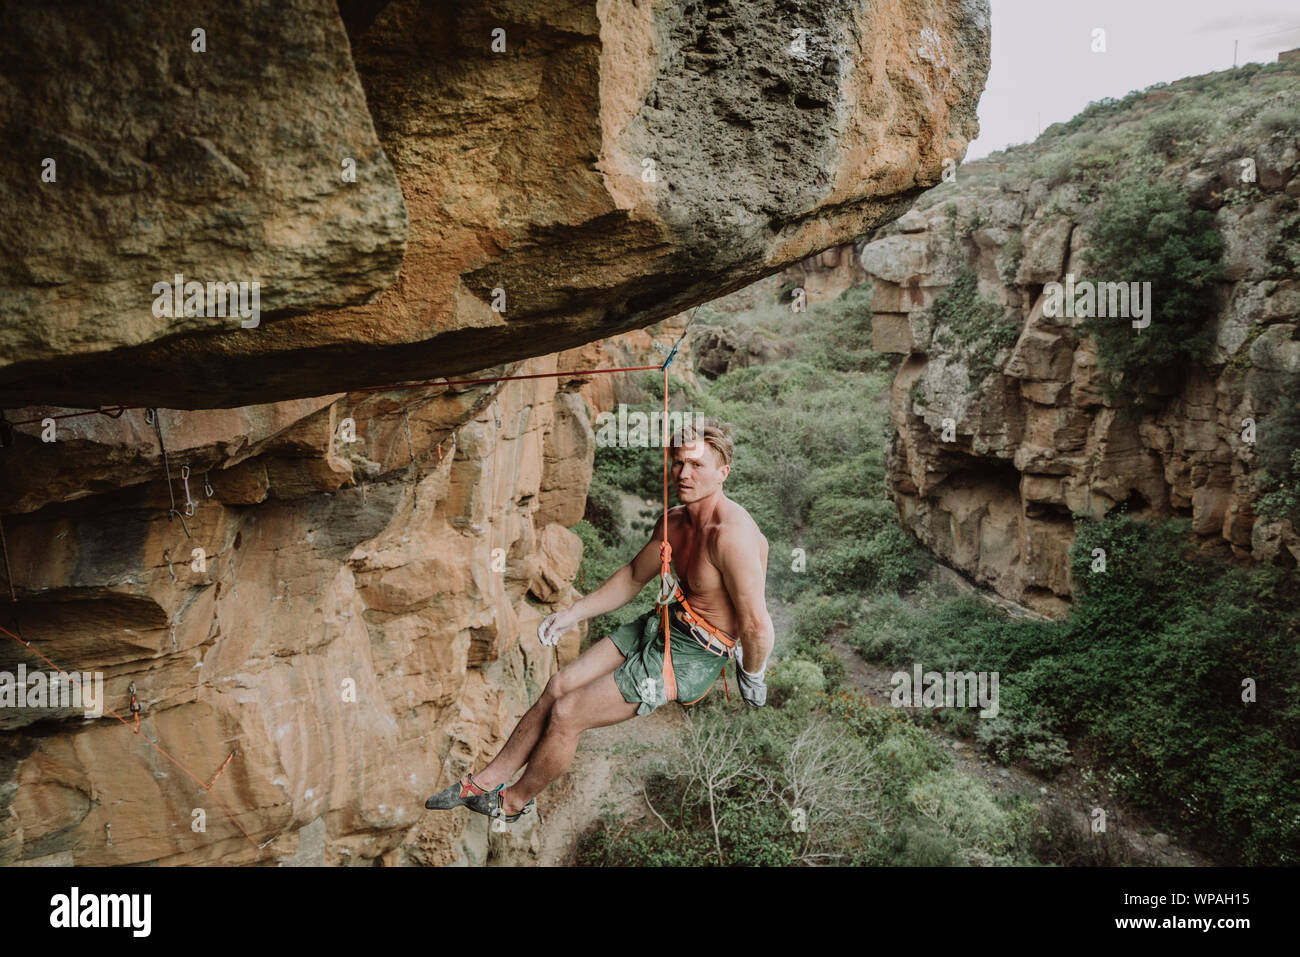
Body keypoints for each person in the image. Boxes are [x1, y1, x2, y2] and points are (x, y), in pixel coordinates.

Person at [424, 416, 773, 825]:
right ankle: (484, 782)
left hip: (693, 655)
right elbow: (631, 576)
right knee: (558, 687)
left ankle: (513, 803)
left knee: (569, 713)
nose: (683, 472)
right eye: (678, 462)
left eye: (697, 465)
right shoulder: (674, 522)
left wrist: (753, 674)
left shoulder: (731, 535)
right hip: (665, 623)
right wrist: (573, 612)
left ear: (723, 473)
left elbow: (756, 625)